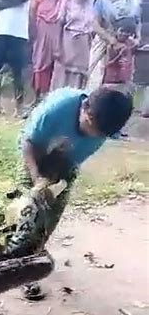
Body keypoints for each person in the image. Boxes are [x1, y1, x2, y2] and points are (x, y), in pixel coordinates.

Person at [20, 87, 133, 251]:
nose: (93, 136)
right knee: (28, 201)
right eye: (90, 126)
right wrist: (37, 178)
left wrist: (53, 184)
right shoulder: (56, 110)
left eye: (100, 134)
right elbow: (29, 143)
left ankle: (34, 249)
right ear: (85, 107)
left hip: (66, 158)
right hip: (34, 148)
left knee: (54, 207)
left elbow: (70, 161)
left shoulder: (106, 127)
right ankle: (11, 245)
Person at [88, 0, 141, 91]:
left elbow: (137, 21)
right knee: (98, 82)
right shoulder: (101, 0)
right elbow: (95, 25)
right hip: (105, 45)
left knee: (123, 83)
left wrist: (137, 38)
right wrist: (111, 40)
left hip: (125, 47)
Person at [29, 0, 68, 104]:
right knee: (39, 64)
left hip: (58, 36)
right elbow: (32, 12)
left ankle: (51, 99)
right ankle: (36, 98)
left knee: (56, 66)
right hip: (41, 34)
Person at [53, 0, 95, 90]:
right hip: (67, 41)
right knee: (62, 75)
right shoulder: (67, 1)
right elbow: (59, 24)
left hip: (85, 43)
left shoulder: (95, 2)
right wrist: (57, 47)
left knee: (79, 77)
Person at [103, 16, 139, 88]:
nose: (124, 34)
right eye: (122, 31)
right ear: (116, 30)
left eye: (127, 32)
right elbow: (108, 63)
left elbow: (136, 46)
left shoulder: (130, 43)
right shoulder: (112, 45)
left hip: (125, 79)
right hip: (112, 80)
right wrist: (119, 54)